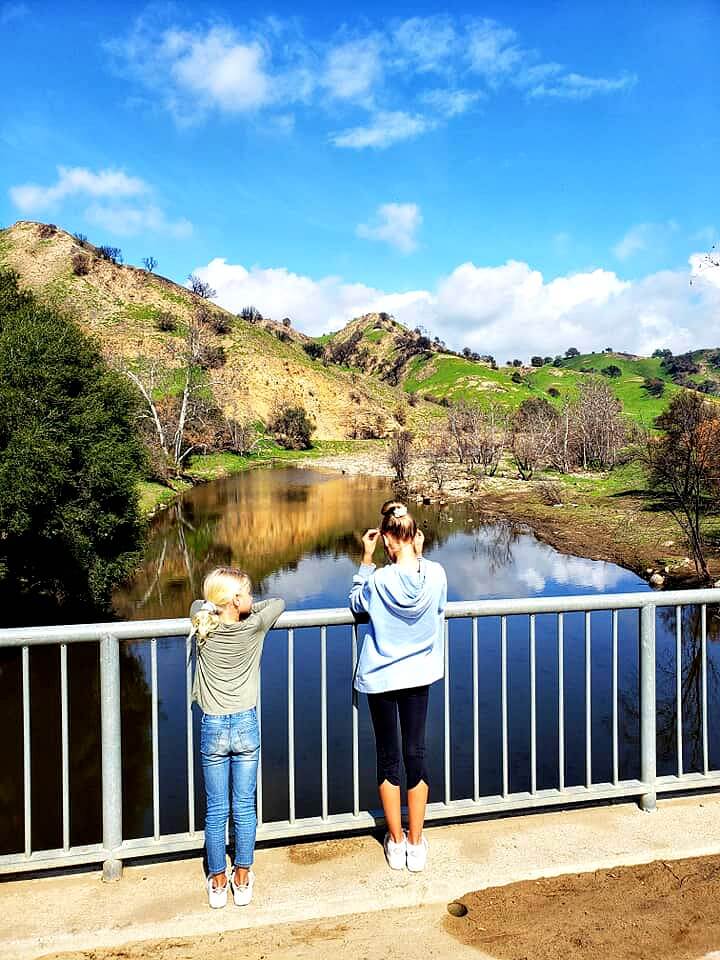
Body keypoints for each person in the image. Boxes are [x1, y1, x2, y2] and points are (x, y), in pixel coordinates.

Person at [350, 501, 447, 872]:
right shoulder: (436, 574)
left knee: (388, 757)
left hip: (381, 677)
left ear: (388, 538)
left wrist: (365, 559)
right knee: (415, 753)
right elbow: (437, 608)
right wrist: (420, 557)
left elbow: (357, 604)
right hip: (419, 675)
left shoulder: (378, 580)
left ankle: (395, 840)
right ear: (414, 536)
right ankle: (417, 843)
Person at [189, 567, 285, 908]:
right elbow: (278, 603)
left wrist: (225, 606)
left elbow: (199, 603)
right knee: (244, 807)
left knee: (216, 809)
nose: (253, 598)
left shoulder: (201, 625)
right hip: (246, 725)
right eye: (246, 594)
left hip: (213, 726)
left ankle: (216, 881)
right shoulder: (254, 626)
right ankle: (242, 879)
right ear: (235, 600)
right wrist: (248, 610)